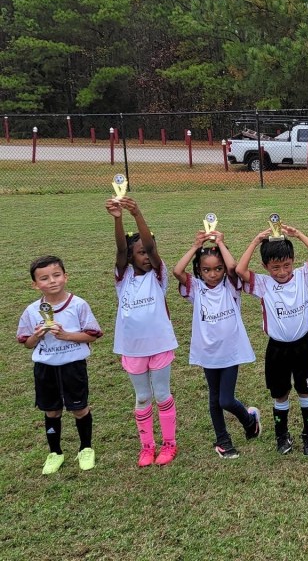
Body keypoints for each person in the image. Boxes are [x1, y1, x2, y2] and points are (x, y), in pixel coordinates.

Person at [173, 229, 261, 460]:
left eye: (218, 269)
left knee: (226, 399)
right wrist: (195, 246)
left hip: (231, 352)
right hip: (207, 352)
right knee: (214, 399)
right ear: (199, 271)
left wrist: (221, 243)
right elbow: (177, 271)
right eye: (207, 270)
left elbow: (234, 268)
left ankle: (249, 419)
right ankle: (223, 440)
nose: (213, 274)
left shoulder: (230, 287)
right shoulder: (196, 289)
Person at [237, 223, 308, 456]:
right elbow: (240, 270)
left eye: (286, 265)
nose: (282, 272)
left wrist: (299, 234)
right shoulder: (264, 284)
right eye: (275, 267)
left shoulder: (304, 276)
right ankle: (281, 435)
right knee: (280, 393)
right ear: (266, 266)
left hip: (304, 346)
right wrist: (255, 241)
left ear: (293, 261)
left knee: (306, 391)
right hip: (277, 349)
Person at [106, 197, 179, 467]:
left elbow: (150, 245)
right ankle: (147, 447)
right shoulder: (122, 278)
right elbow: (120, 250)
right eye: (140, 253)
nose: (146, 257)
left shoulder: (158, 276)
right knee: (142, 397)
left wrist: (137, 213)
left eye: (149, 253)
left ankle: (169, 444)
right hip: (132, 349)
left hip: (159, 346)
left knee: (162, 394)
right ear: (130, 256)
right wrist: (118, 218)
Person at [17, 255, 103, 474]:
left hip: (72, 366)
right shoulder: (31, 311)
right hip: (45, 368)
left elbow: (92, 335)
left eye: (56, 275)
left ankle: (86, 448)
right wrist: (36, 336)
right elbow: (27, 343)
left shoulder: (78, 304)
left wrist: (66, 335)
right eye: (44, 278)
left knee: (79, 408)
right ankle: (55, 452)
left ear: (66, 276)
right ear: (35, 285)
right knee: (52, 410)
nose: (52, 281)